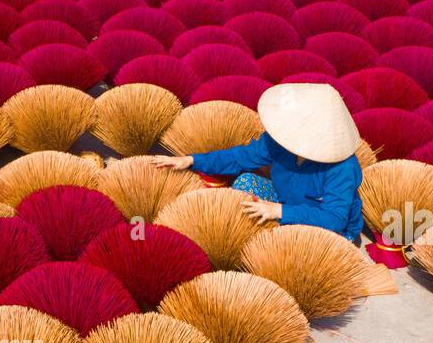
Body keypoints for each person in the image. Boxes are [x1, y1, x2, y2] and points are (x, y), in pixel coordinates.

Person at [152, 83, 365, 241]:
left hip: (328, 230)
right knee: (244, 183)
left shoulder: (342, 167)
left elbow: (334, 219)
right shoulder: (281, 140)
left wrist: (279, 211)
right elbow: (240, 158)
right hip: (284, 202)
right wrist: (191, 160)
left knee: (293, 243)